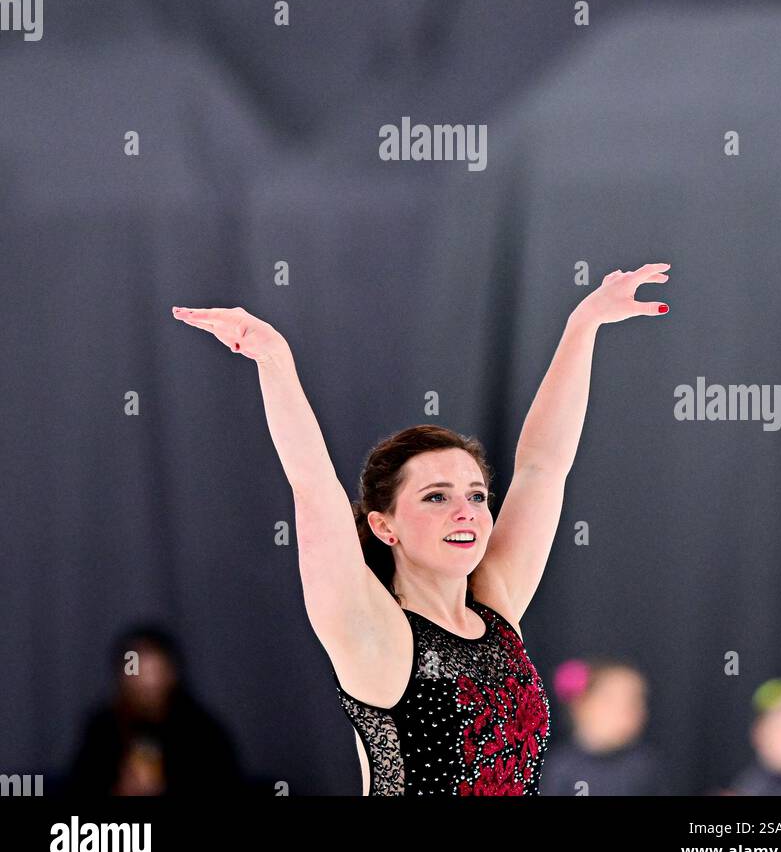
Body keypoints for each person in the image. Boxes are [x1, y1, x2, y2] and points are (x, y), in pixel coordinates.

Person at [173, 261, 671, 796]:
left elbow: (543, 465)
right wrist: (274, 361)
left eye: (476, 496)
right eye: (436, 497)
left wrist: (584, 325)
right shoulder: (372, 628)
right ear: (384, 526)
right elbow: (314, 486)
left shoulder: (496, 605)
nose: (467, 512)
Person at [67, 624, 242, 795]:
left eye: (155, 671)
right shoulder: (103, 728)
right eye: (136, 672)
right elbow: (79, 787)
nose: (147, 683)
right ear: (121, 677)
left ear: (172, 674)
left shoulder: (202, 731)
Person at [540, 659, 671, 795]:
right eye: (611, 701)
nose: (625, 711)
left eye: (635, 701)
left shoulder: (645, 765)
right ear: (580, 706)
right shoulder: (560, 767)